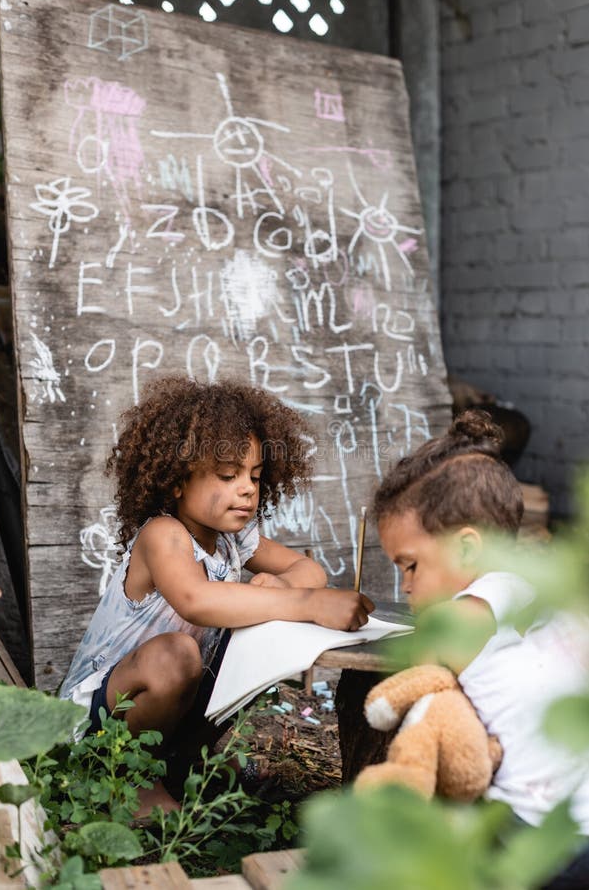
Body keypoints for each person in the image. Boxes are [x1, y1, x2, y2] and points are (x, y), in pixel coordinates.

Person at [60, 376, 373, 814]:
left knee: (249, 648)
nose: (247, 488)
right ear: (175, 482)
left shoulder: (234, 539)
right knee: (178, 653)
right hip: (95, 720)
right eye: (228, 475)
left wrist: (283, 585)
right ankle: (132, 781)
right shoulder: (162, 534)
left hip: (165, 714)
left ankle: (182, 764)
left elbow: (310, 569)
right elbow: (196, 600)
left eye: (255, 476)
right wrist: (302, 602)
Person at [373, 409, 589, 890]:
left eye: (410, 567)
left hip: (533, 834)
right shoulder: (530, 591)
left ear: (467, 550)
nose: (405, 586)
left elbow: (422, 680)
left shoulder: (474, 607)